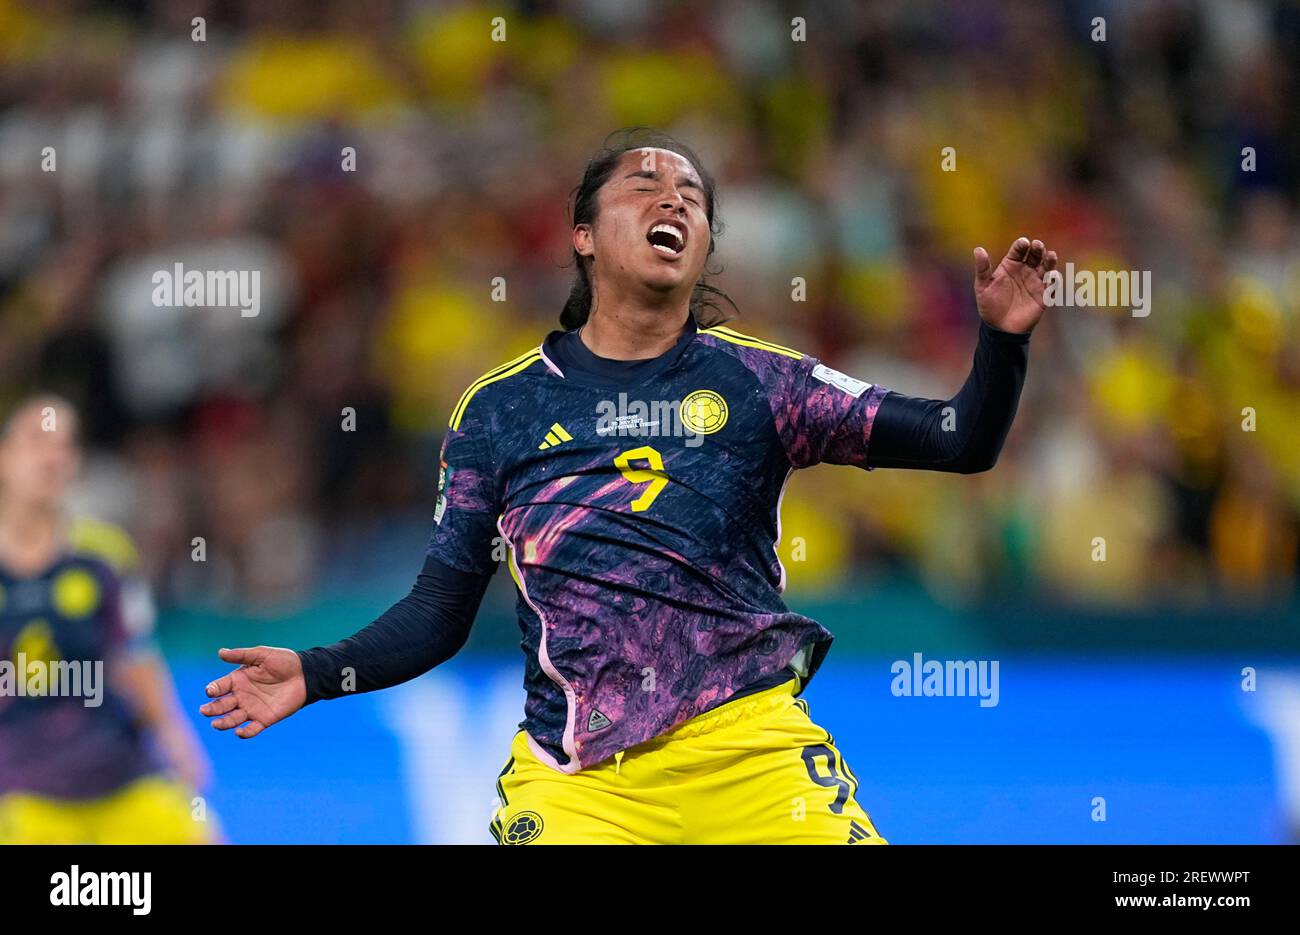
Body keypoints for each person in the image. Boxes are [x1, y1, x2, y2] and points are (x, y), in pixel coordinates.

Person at [201, 128, 1057, 844]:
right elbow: (438, 612)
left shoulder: (760, 386)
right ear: (581, 234)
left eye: (693, 196)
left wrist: (1003, 342)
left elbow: (961, 440)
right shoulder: (501, 410)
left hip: (750, 753)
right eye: (645, 183)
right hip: (583, 787)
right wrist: (318, 672)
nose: (675, 200)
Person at [0, 395, 214, 844]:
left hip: (121, 776)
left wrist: (175, 737)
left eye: (65, 444)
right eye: (37, 442)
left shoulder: (103, 556)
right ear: (4, 458)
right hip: (22, 792)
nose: (54, 458)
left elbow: (134, 654)